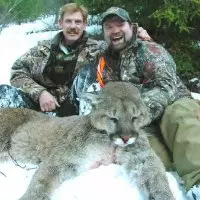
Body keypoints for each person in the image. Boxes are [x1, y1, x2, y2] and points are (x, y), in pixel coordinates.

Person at [72, 6, 200, 198]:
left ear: (131, 26)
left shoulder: (150, 50)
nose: (115, 30)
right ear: (104, 32)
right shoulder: (102, 60)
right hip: (135, 121)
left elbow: (166, 88)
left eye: (120, 24)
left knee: (178, 118)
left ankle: (197, 181)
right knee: (148, 152)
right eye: (108, 27)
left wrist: (139, 114)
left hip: (171, 103)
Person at [0, 3, 150, 117]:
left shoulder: (99, 49)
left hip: (75, 111)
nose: (73, 26)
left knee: (88, 75)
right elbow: (18, 72)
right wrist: (40, 93)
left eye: (78, 22)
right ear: (60, 23)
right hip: (41, 109)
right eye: (69, 21)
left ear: (84, 24)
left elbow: (122, 46)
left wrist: (138, 35)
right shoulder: (41, 50)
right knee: (4, 93)